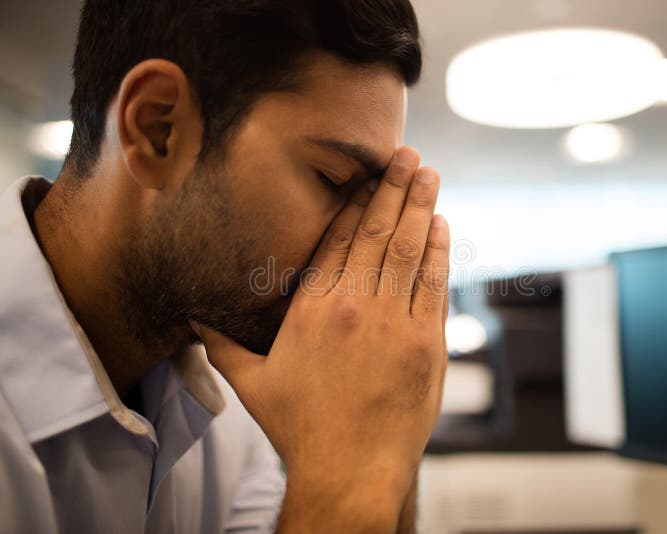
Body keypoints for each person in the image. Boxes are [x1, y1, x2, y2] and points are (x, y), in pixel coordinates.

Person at [0, 0, 450, 532]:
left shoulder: (228, 417)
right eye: (332, 178)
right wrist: (354, 474)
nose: (359, 241)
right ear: (158, 129)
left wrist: (383, 432)